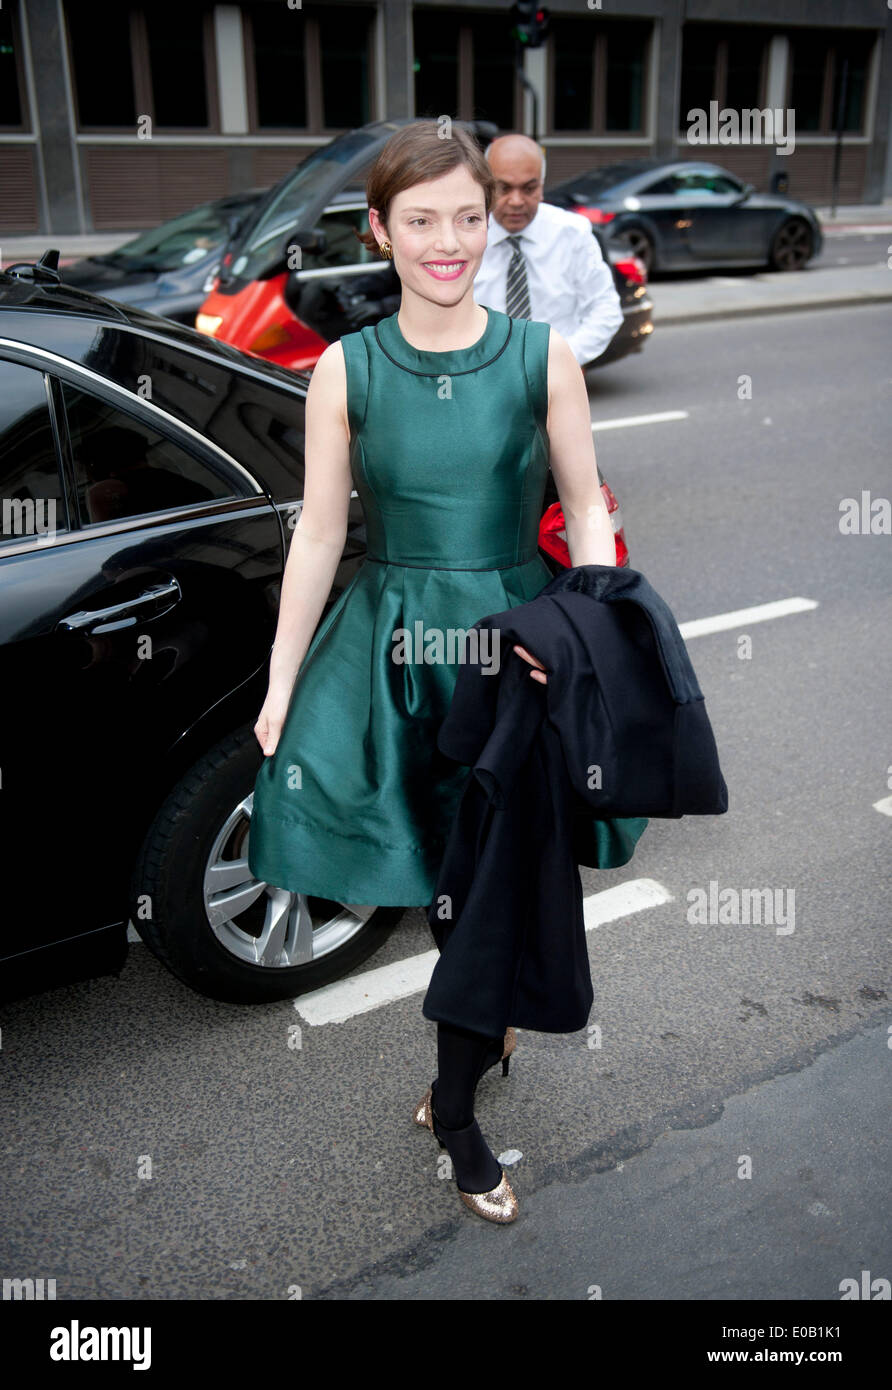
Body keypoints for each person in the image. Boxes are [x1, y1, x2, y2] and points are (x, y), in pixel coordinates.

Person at [247, 120, 617, 1224]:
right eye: (421, 221)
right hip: (397, 650)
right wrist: (279, 685)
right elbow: (319, 536)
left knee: (489, 888)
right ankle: (472, 1060)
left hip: (516, 649)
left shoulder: (539, 353)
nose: (448, 240)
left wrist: (595, 631)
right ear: (380, 231)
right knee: (453, 890)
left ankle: (454, 1104)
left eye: (467, 216)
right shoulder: (343, 368)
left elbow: (586, 504)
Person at [473, 133, 624, 367]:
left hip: (556, 379)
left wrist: (564, 359)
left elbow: (606, 309)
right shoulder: (466, 237)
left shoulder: (572, 233)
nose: (516, 201)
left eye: (528, 189)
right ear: (487, 186)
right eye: (504, 188)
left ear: (542, 187)